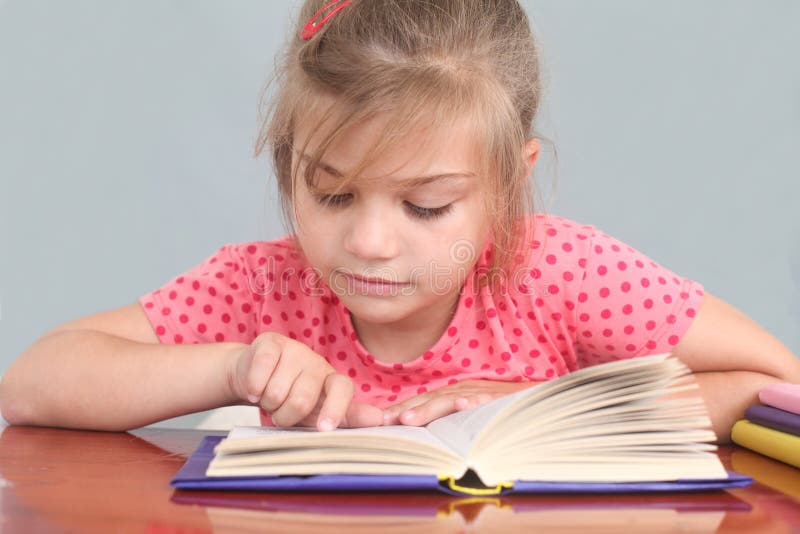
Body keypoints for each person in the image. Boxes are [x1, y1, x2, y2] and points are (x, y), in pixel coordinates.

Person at [2, 0, 798, 441]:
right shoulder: (266, 287)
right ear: (289, 167)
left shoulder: (559, 272)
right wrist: (231, 369)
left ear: (506, 187)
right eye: (333, 193)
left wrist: (549, 407)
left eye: (426, 207)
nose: (370, 243)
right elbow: (34, 383)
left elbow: (777, 383)